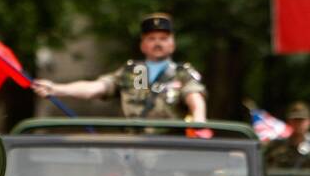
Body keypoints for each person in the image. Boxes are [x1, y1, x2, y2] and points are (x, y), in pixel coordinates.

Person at [31, 13, 208, 127]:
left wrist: (199, 123)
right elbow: (95, 88)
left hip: (170, 153)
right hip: (132, 152)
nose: (158, 43)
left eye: (163, 38)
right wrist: (56, 89)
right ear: (143, 44)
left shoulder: (182, 73)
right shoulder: (130, 72)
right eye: (151, 38)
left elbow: (195, 99)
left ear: (172, 43)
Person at [263, 101, 310, 172]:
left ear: (309, 121)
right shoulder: (275, 146)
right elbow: (259, 170)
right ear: (289, 121)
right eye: (295, 120)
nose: (299, 123)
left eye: (302, 120)